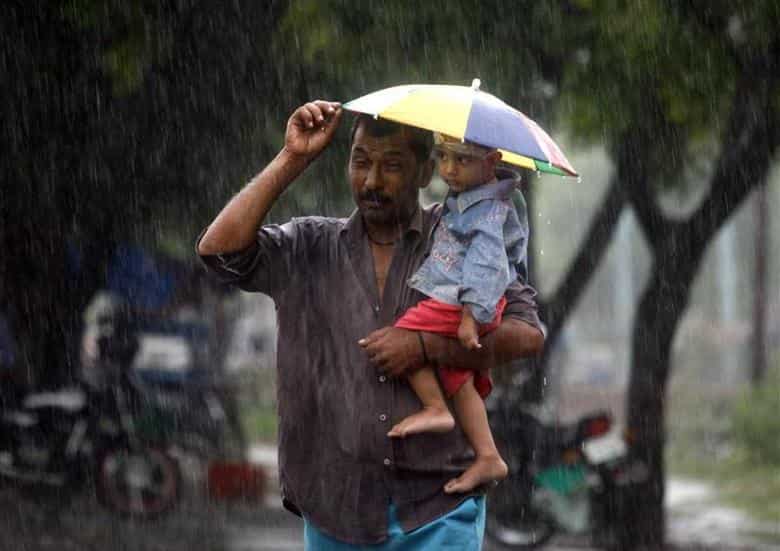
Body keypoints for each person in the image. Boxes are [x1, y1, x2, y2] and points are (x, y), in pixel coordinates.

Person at [197, 100, 544, 549]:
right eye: (360, 162)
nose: (372, 181)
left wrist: (426, 347)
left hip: (438, 507)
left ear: (425, 172)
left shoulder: (463, 238)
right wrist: (292, 159)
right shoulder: (310, 245)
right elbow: (219, 253)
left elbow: (527, 333)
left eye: (392, 166)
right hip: (335, 509)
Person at [388, 132, 527, 495]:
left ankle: (435, 408)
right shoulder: (467, 199)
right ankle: (487, 453)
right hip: (459, 300)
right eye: (444, 157)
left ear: (492, 161)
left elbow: (487, 266)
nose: (448, 169)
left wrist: (470, 317)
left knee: (404, 335)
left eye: (462, 160)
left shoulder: (488, 211)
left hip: (465, 303)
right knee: (454, 373)